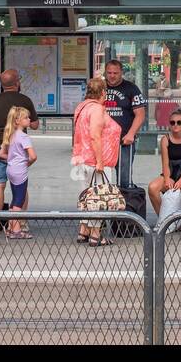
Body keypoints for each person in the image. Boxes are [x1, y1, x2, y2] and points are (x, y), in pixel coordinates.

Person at [0, 69, 39, 234]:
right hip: (19, 154)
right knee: (21, 187)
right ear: (17, 82)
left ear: (1, 84)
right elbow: (35, 124)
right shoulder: (24, 100)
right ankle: (21, 223)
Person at [73, 76, 121, 247]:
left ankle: (83, 230)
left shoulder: (81, 107)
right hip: (96, 162)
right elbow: (95, 135)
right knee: (99, 199)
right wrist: (100, 161)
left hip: (81, 159)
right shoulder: (97, 109)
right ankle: (95, 235)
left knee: (87, 196)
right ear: (103, 92)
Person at [147, 108, 181, 228]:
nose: (175, 125)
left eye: (179, 122)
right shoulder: (165, 139)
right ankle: (165, 220)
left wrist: (180, 181)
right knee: (152, 188)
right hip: (170, 171)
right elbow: (165, 163)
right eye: (172, 122)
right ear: (169, 124)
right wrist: (167, 178)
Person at [102, 59, 148, 189]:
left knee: (124, 177)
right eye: (109, 72)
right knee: (103, 177)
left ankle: (125, 205)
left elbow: (140, 114)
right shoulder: (100, 87)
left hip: (124, 141)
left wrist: (131, 134)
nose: (112, 76)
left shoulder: (131, 88)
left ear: (121, 72)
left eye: (115, 73)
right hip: (103, 141)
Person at [0, 105, 37, 239]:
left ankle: (11, 226)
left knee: (15, 197)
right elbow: (33, 156)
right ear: (17, 121)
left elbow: (1, 154)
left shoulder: (10, 135)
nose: (29, 119)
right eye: (26, 118)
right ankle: (16, 230)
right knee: (19, 200)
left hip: (10, 169)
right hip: (20, 171)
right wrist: (27, 162)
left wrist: (13, 158)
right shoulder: (24, 137)